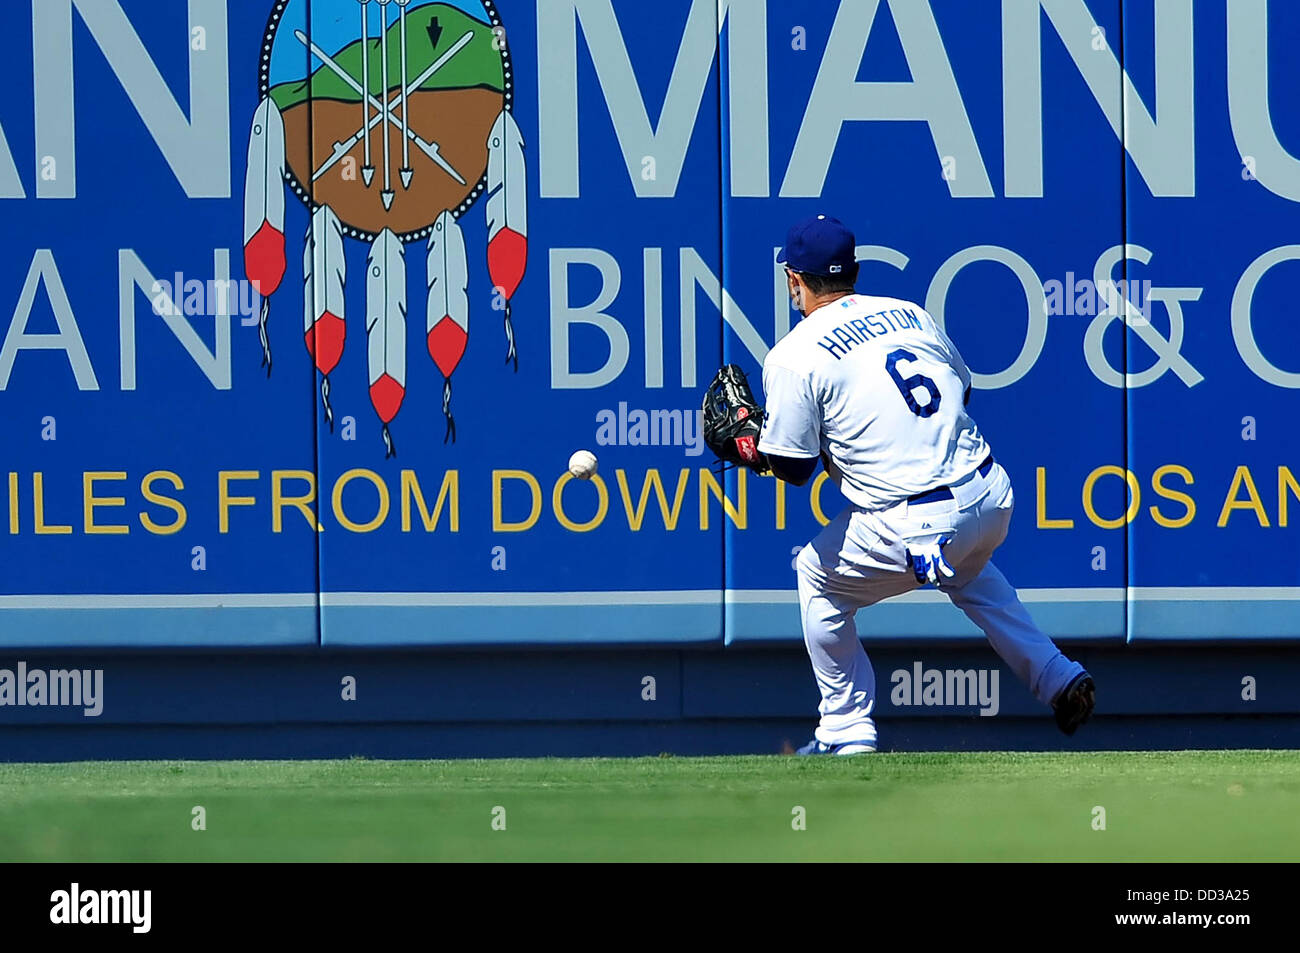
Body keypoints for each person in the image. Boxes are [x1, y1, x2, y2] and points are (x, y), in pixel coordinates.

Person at [757, 214, 1095, 754]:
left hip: (915, 525)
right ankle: (1056, 675)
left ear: (795, 280)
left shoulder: (793, 355)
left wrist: (754, 449)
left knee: (816, 578)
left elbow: (794, 469)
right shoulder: (908, 314)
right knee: (969, 571)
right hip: (989, 495)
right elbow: (961, 391)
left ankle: (845, 731)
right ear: (854, 271)